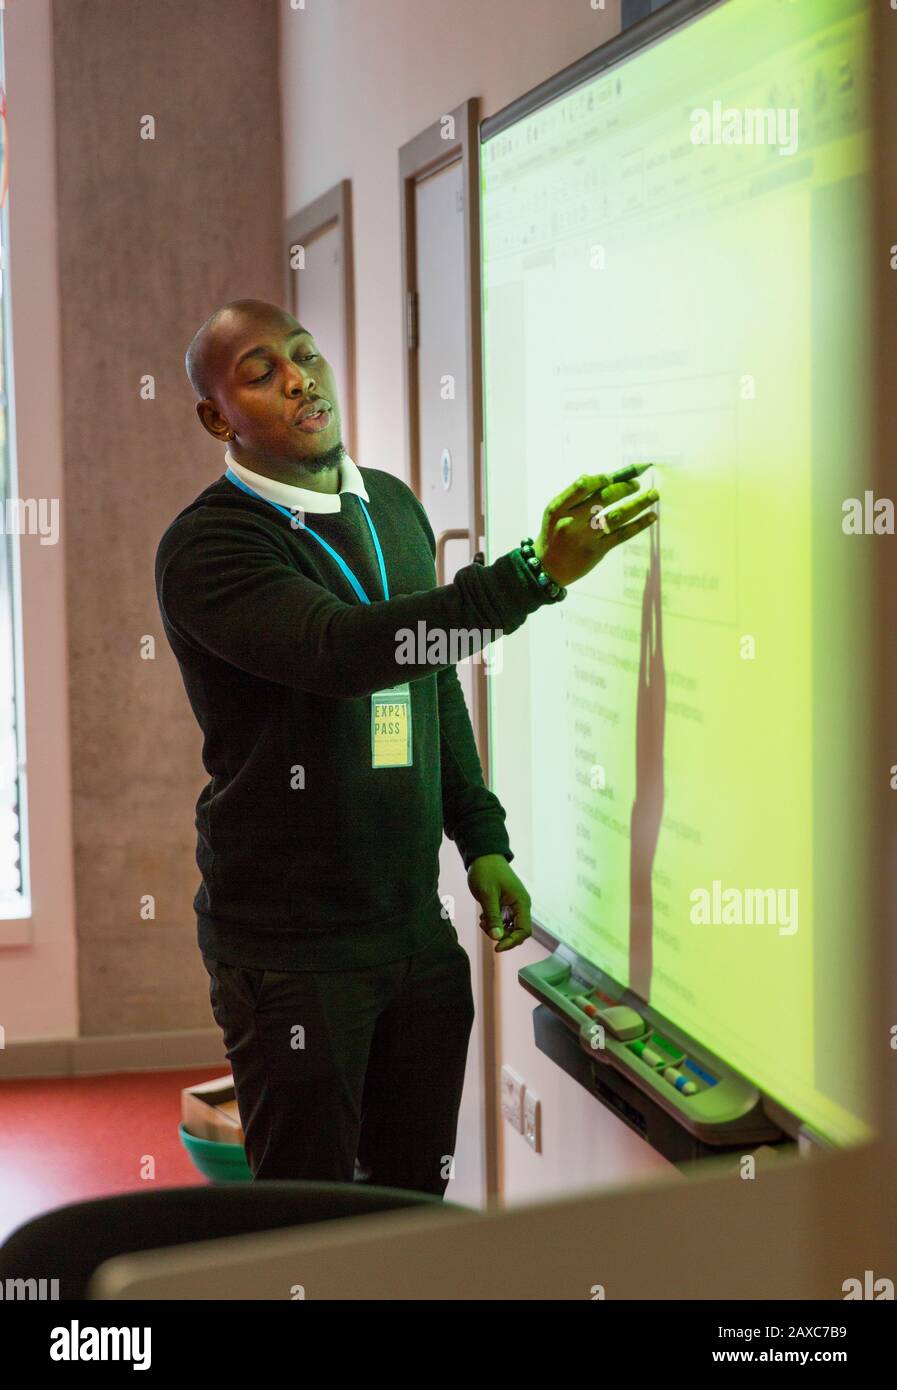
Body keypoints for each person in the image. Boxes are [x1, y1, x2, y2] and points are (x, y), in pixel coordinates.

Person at [154, 297, 658, 1193]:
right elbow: (342, 653)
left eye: (305, 356)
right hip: (290, 947)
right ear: (214, 417)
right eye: (260, 372)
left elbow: (424, 684)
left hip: (411, 930)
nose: (299, 378)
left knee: (408, 1200)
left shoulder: (387, 503)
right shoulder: (208, 546)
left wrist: (483, 839)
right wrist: (531, 575)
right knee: (306, 1219)